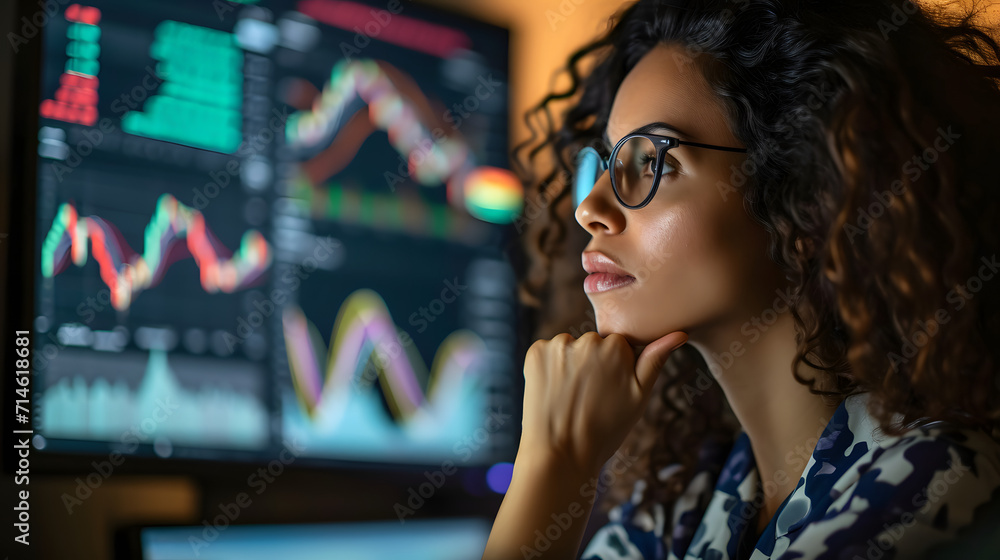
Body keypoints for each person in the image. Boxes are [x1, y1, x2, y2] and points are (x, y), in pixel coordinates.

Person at [482, 0, 1000, 558]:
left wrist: (554, 461)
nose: (591, 209)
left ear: (807, 196)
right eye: (608, 161)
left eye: (654, 161)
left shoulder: (931, 479)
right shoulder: (685, 499)